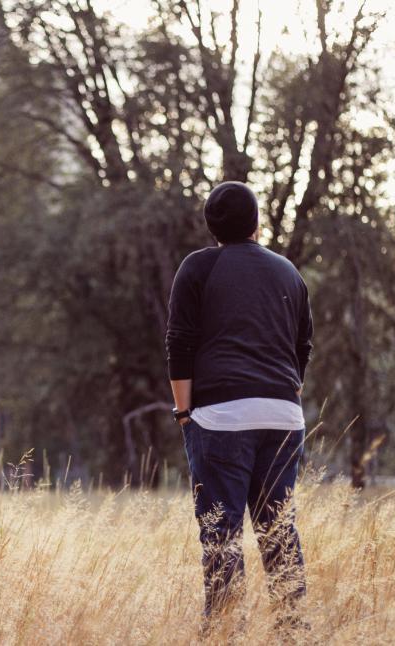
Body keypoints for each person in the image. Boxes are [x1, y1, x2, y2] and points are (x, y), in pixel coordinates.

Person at [165, 181, 313, 630]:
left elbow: (179, 344)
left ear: (211, 226)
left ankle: (226, 632)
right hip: (283, 417)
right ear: (256, 223)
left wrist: (184, 414)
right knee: (278, 530)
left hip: (221, 419)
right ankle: (293, 631)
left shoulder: (197, 267)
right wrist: (284, 393)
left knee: (222, 533)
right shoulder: (288, 271)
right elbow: (303, 346)